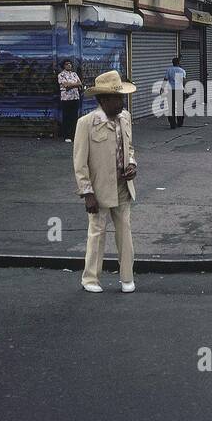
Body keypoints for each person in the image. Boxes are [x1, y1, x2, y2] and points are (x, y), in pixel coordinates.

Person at [73, 70, 138, 294]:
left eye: (121, 98)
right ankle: (90, 278)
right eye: (117, 98)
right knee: (96, 234)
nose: (121, 102)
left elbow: (129, 148)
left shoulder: (125, 118)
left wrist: (132, 164)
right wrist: (87, 193)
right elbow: (79, 163)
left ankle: (127, 277)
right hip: (99, 189)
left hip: (123, 186)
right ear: (103, 100)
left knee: (125, 233)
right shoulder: (86, 124)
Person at [57, 59, 82, 141]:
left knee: (74, 117)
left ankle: (73, 135)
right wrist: (75, 85)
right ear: (63, 66)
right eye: (67, 64)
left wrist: (71, 85)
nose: (69, 65)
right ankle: (67, 136)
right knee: (67, 117)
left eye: (70, 64)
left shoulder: (74, 74)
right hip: (66, 99)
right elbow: (66, 85)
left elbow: (80, 84)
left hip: (75, 98)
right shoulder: (61, 75)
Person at [163, 56, 187, 129]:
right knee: (180, 107)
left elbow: (165, 79)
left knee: (171, 108)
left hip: (171, 90)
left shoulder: (169, 70)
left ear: (172, 63)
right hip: (179, 90)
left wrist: (162, 88)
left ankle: (172, 124)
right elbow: (183, 81)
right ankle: (180, 123)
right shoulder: (182, 70)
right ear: (179, 63)